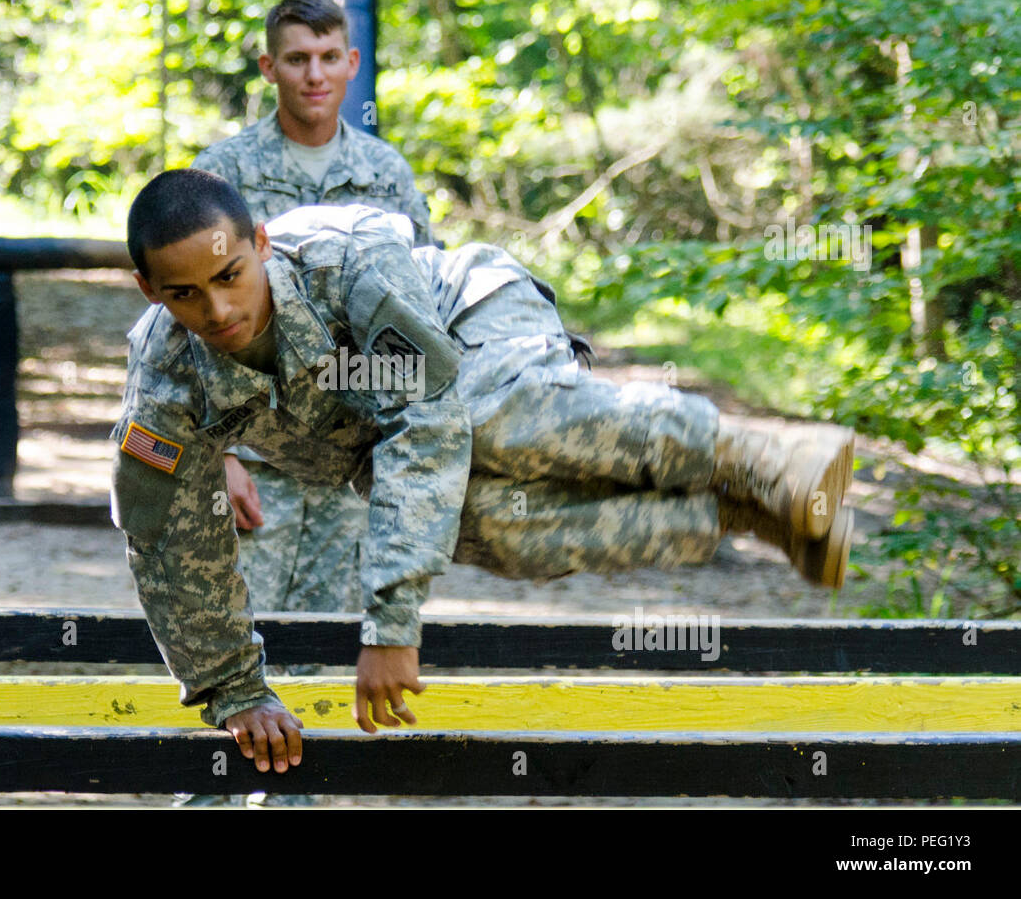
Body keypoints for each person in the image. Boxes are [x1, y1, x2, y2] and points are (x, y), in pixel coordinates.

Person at [111, 168, 856, 778]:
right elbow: (167, 544)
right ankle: (748, 515)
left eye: (230, 275)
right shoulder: (165, 380)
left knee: (497, 419)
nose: (216, 309)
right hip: (374, 438)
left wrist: (391, 624)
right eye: (184, 294)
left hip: (470, 323)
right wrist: (237, 692)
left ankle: (765, 462)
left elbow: (427, 417)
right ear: (150, 290)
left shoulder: (350, 259)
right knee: (502, 531)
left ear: (261, 244)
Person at [190, 0, 437, 643]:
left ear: (352, 62)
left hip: (350, 464)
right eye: (297, 59)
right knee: (239, 651)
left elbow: (422, 308)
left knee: (335, 657)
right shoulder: (221, 177)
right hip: (255, 461)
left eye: (329, 57)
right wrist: (212, 453)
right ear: (269, 68)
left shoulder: (386, 177)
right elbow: (178, 325)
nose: (315, 75)